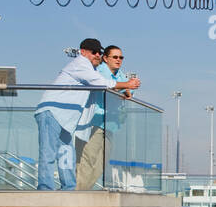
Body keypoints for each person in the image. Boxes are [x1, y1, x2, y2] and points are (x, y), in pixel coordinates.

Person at [34, 39, 139, 190]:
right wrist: (127, 85)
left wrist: (126, 89)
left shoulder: (92, 69)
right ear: (82, 52)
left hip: (67, 118)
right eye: (93, 52)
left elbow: (110, 84)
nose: (97, 55)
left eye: (99, 52)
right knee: (48, 152)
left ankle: (69, 188)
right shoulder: (80, 65)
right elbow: (102, 83)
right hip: (52, 112)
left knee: (67, 153)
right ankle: (45, 188)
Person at [75, 44, 139, 190]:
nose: (118, 60)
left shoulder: (119, 74)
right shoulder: (100, 71)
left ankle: (83, 190)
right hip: (94, 122)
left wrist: (127, 89)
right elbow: (107, 85)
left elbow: (127, 90)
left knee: (101, 163)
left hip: (110, 125)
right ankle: (77, 192)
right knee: (88, 159)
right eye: (115, 57)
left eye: (121, 57)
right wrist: (125, 87)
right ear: (105, 58)